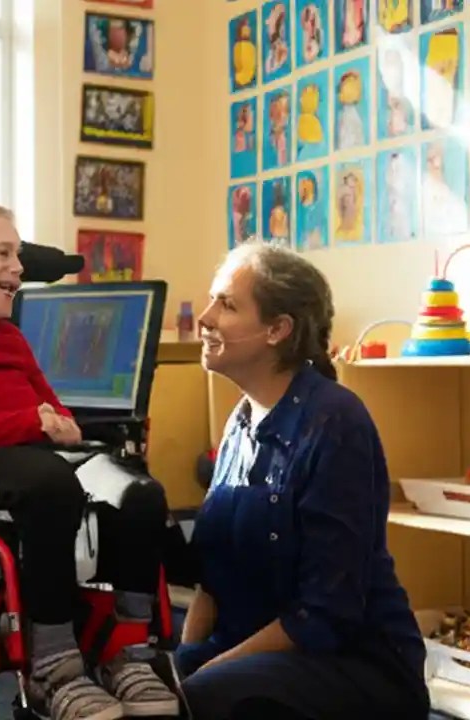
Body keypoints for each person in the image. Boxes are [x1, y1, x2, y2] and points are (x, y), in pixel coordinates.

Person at [0, 200, 179, 720]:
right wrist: (36, 423)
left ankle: (128, 650)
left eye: (18, 255)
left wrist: (61, 425)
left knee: (140, 493)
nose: (19, 267)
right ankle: (53, 667)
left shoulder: (10, 337)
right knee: (50, 483)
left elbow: (53, 407)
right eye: (2, 252)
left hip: (39, 458)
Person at [178, 242, 430, 719]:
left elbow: (324, 616)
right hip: (254, 655)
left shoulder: (336, 422)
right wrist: (178, 667)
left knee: (194, 698)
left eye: (227, 304)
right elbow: (209, 586)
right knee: (142, 689)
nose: (206, 317)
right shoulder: (239, 422)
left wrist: (193, 685)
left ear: (278, 329)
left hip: (352, 667)